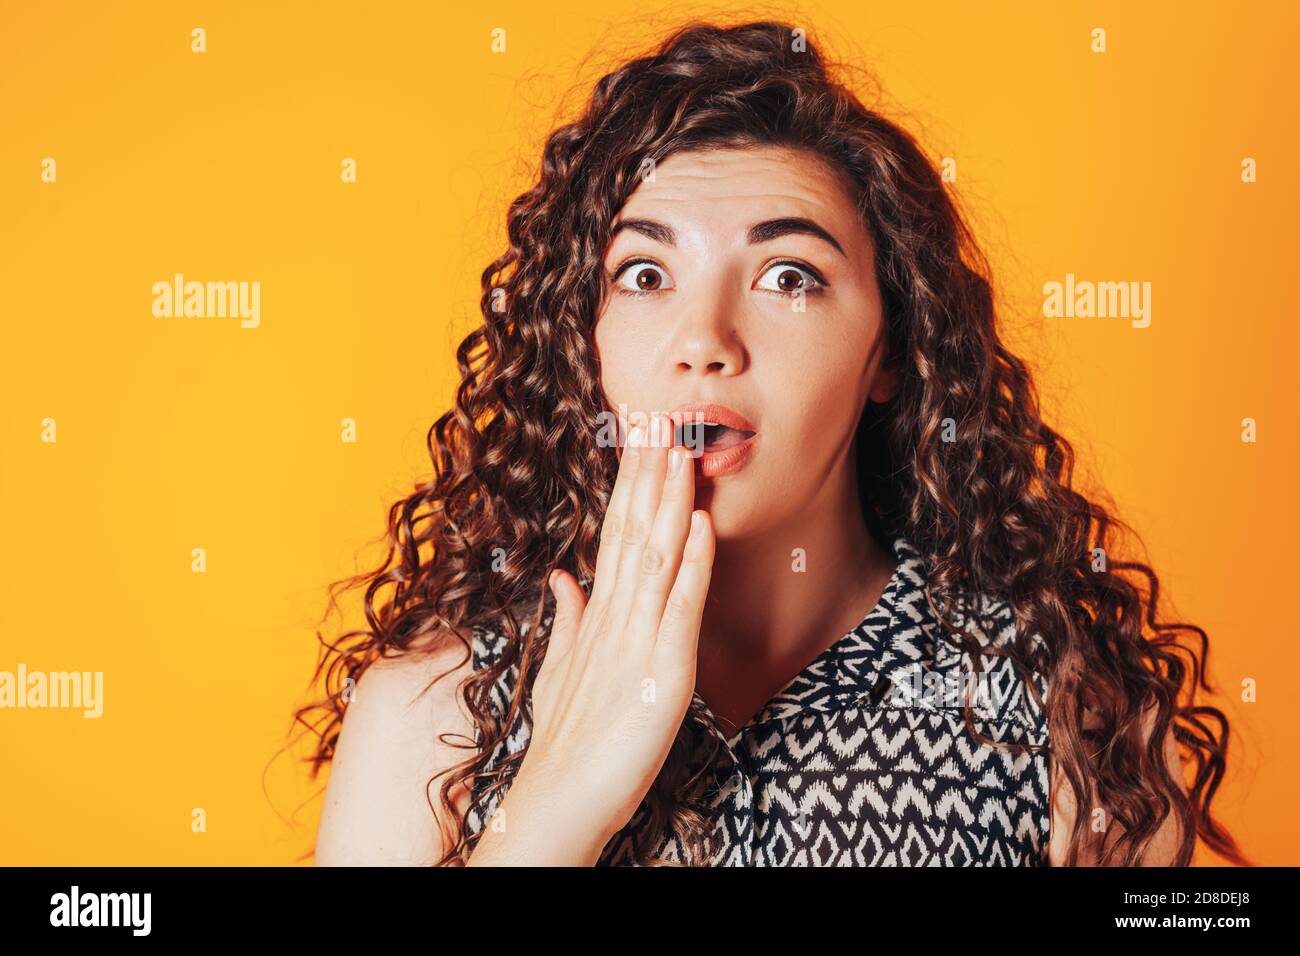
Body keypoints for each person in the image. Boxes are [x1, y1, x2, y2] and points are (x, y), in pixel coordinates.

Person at [300, 20, 1246, 867]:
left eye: (788, 275)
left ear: (892, 350)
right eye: (643, 274)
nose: (704, 340)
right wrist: (554, 806)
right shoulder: (434, 713)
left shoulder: (1066, 712)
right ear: (580, 337)